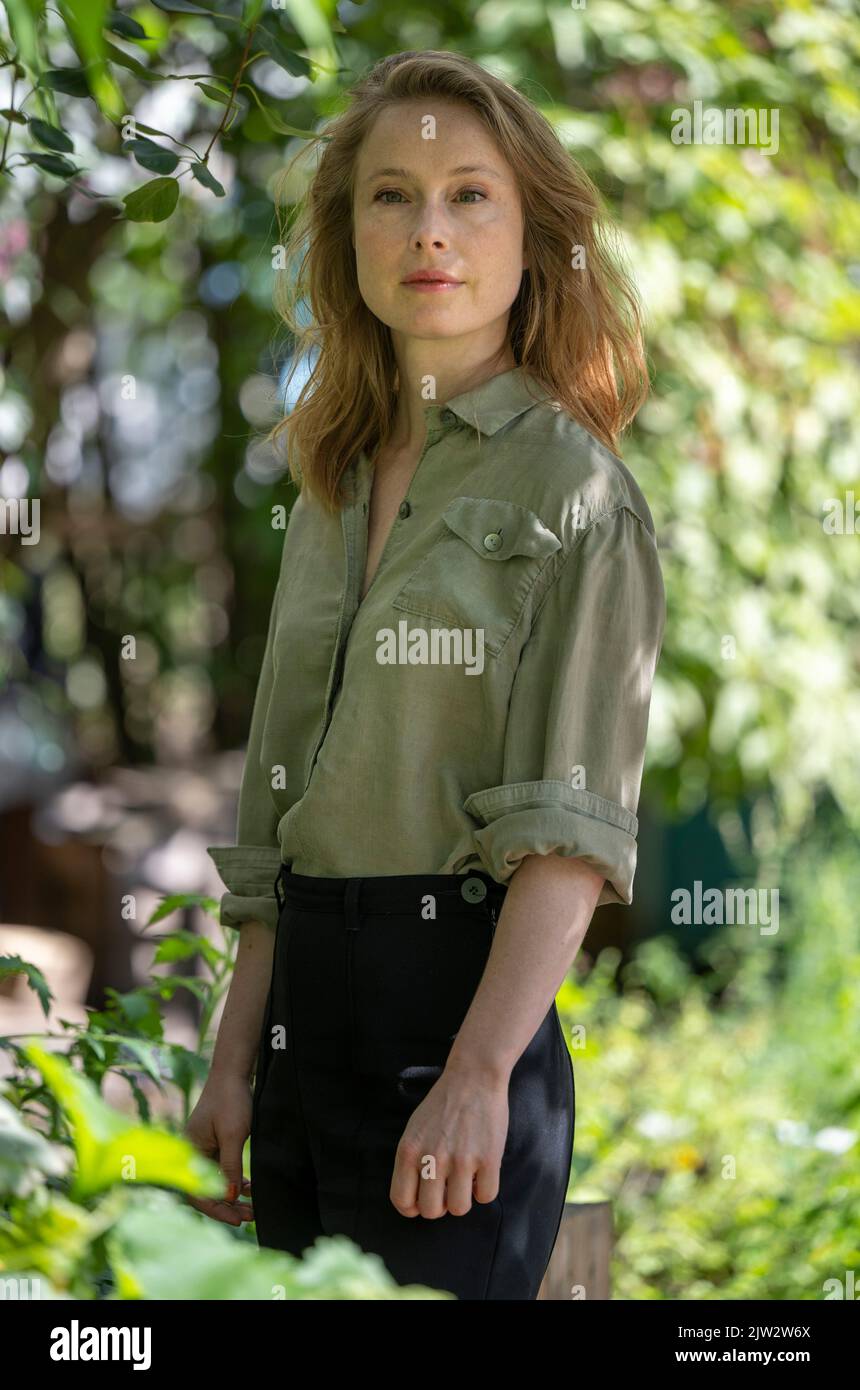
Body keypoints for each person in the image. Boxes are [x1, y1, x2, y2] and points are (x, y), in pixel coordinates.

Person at [187, 50, 666, 1301]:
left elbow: (568, 835)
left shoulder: (576, 493)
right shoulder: (328, 483)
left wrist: (475, 1076)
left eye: (470, 195)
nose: (428, 230)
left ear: (531, 236)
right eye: (390, 195)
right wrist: (237, 1058)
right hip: (307, 1031)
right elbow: (277, 811)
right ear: (348, 236)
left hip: (457, 1031)